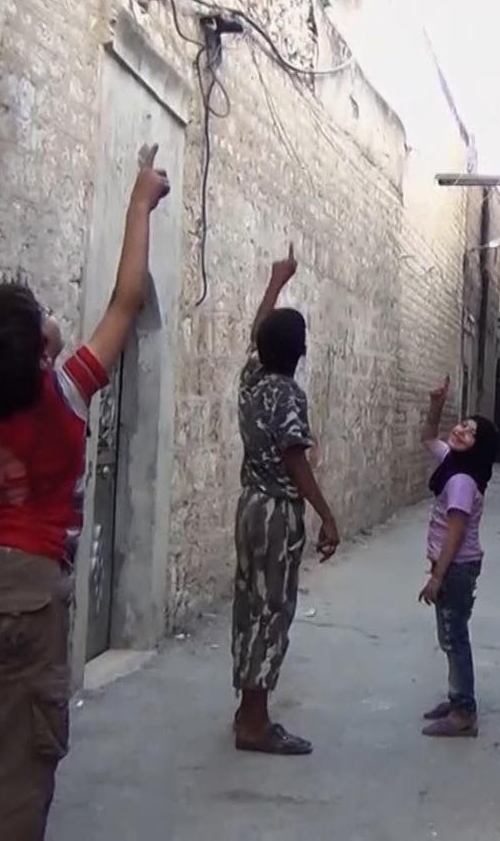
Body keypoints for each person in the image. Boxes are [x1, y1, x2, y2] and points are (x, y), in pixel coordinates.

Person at [0, 144, 171, 840]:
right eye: (47, 314)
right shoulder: (68, 391)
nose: (56, 316)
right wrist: (139, 201)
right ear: (41, 348)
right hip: (30, 593)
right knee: (18, 770)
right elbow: (127, 298)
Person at [232, 244, 340, 756]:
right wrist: (327, 515)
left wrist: (277, 280)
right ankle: (255, 720)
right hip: (277, 509)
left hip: (248, 504)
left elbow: (258, 332)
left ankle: (246, 705)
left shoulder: (250, 382)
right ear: (300, 352)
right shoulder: (288, 395)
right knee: (274, 609)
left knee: (248, 603)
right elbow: (296, 460)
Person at [418, 376, 499, 738]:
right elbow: (428, 438)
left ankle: (463, 710)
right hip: (453, 566)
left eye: (470, 432)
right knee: (449, 634)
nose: (460, 431)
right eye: (462, 424)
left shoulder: (463, 481)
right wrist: (436, 405)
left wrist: (438, 576)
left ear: (478, 447)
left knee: (455, 635)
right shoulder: (453, 461)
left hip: (457, 567)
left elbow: (456, 531)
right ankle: (456, 698)